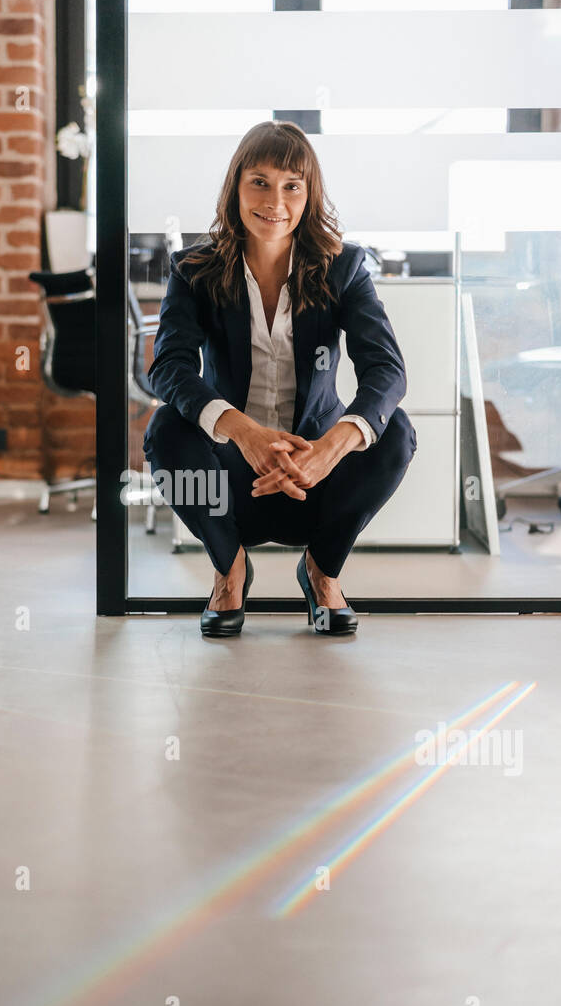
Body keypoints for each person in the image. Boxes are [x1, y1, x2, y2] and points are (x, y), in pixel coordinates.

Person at [142, 120, 417, 638]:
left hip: (315, 480)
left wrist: (329, 448)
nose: (276, 200)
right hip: (229, 480)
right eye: (260, 182)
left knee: (395, 431)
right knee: (164, 429)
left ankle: (322, 572)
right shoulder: (193, 270)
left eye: (292, 185)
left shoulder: (345, 267)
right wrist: (244, 432)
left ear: (309, 194)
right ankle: (230, 571)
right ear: (236, 188)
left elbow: (386, 370)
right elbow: (169, 367)